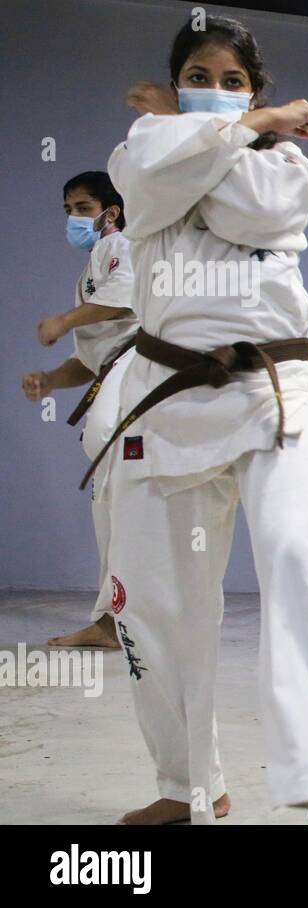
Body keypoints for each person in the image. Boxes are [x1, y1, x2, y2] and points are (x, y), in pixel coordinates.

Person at [102, 15, 308, 824]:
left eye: (235, 82)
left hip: (273, 388)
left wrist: (196, 150)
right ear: (175, 84)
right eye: (198, 77)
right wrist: (231, 131)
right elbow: (143, 196)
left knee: (290, 552)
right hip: (166, 395)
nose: (216, 90)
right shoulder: (140, 146)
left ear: (257, 88)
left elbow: (251, 211)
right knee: (154, 599)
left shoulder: (288, 165)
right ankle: (188, 786)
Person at [22, 171, 136, 649]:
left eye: (84, 208)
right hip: (116, 369)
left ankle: (117, 621)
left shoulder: (123, 246)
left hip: (140, 367)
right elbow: (92, 359)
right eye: (69, 209)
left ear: (111, 211)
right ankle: (113, 620)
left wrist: (63, 319)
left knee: (119, 489)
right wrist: (51, 379)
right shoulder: (91, 265)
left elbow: (121, 304)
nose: (74, 217)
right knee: (111, 501)